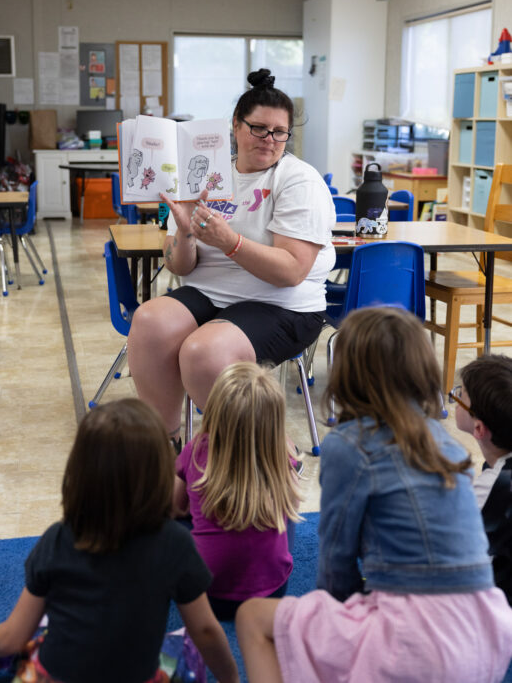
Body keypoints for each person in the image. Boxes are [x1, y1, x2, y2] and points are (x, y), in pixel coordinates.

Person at [236, 308, 512, 683]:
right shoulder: (447, 444)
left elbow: (336, 562)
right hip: (488, 634)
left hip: (416, 643)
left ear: (347, 374)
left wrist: (341, 621)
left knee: (252, 618)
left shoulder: (349, 447)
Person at [0, 400, 238, 683]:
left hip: (50, 677)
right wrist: (231, 679)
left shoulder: (57, 539)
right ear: (159, 473)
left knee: (43, 631)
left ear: (80, 472)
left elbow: (11, 637)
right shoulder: (175, 544)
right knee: (185, 643)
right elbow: (206, 631)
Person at [128, 68, 336, 446]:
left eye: (279, 132)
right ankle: (166, 445)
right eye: (259, 128)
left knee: (203, 352)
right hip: (213, 293)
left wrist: (230, 242)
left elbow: (291, 272)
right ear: (236, 126)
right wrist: (185, 233)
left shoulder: (298, 181)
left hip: (282, 304)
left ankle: (269, 455)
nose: (269, 140)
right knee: (149, 322)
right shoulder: (210, 174)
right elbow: (179, 266)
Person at [173, 361, 301, 620]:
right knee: (285, 511)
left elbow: (174, 507)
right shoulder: (284, 453)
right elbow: (292, 506)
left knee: (172, 523)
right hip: (273, 592)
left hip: (210, 596)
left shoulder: (195, 451)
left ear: (214, 410)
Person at [454, 354, 512, 605]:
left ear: (479, 428)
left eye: (460, 395)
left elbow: (459, 558)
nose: (455, 397)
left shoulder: (493, 488)